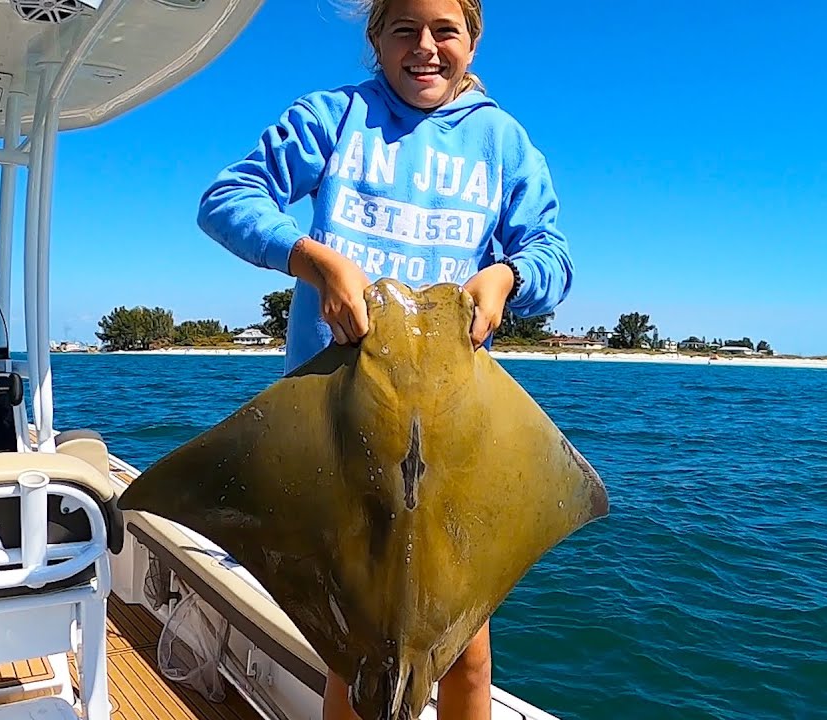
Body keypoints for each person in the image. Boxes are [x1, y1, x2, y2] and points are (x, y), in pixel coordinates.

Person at [196, 0, 573, 718]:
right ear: (375, 38)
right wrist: (315, 262)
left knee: (468, 653)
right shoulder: (334, 118)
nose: (424, 47)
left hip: (454, 439)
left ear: (473, 39)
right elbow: (227, 199)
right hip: (338, 426)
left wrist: (506, 278)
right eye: (404, 29)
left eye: (444, 31)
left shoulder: (502, 140)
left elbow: (551, 254)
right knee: (356, 647)